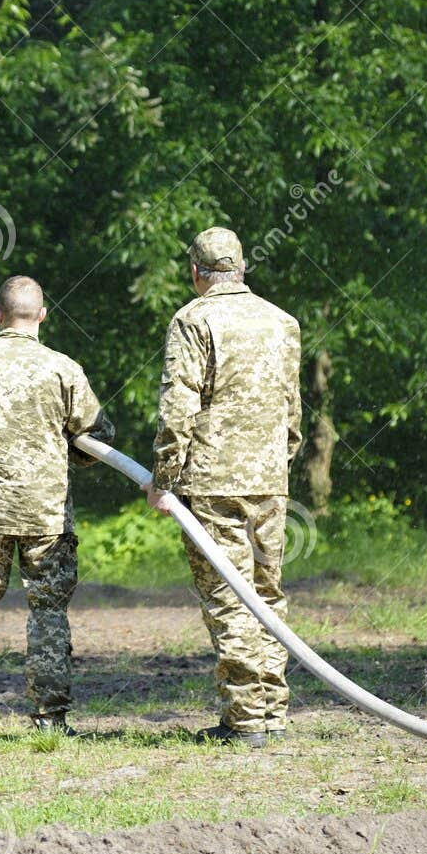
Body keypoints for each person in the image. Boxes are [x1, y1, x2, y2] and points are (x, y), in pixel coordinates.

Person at [0, 275, 112, 744]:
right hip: (47, 517)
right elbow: (94, 438)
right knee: (48, 611)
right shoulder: (63, 369)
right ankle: (50, 719)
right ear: (42, 315)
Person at [147, 228, 302, 748]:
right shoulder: (283, 322)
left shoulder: (193, 320)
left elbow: (178, 408)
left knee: (228, 597)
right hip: (269, 480)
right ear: (241, 269)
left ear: (196, 273)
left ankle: (244, 720)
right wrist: (279, 465)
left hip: (213, 482)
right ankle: (272, 711)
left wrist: (163, 480)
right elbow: (293, 411)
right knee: (267, 593)